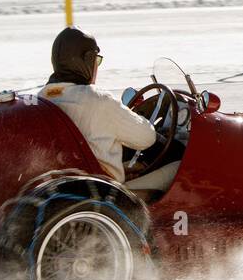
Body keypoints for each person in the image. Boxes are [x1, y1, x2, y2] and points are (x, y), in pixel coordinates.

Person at [40, 27, 157, 183]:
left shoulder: (42, 98)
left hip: (66, 187)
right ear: (87, 60)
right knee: (173, 169)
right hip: (103, 194)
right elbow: (146, 138)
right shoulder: (99, 100)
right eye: (96, 60)